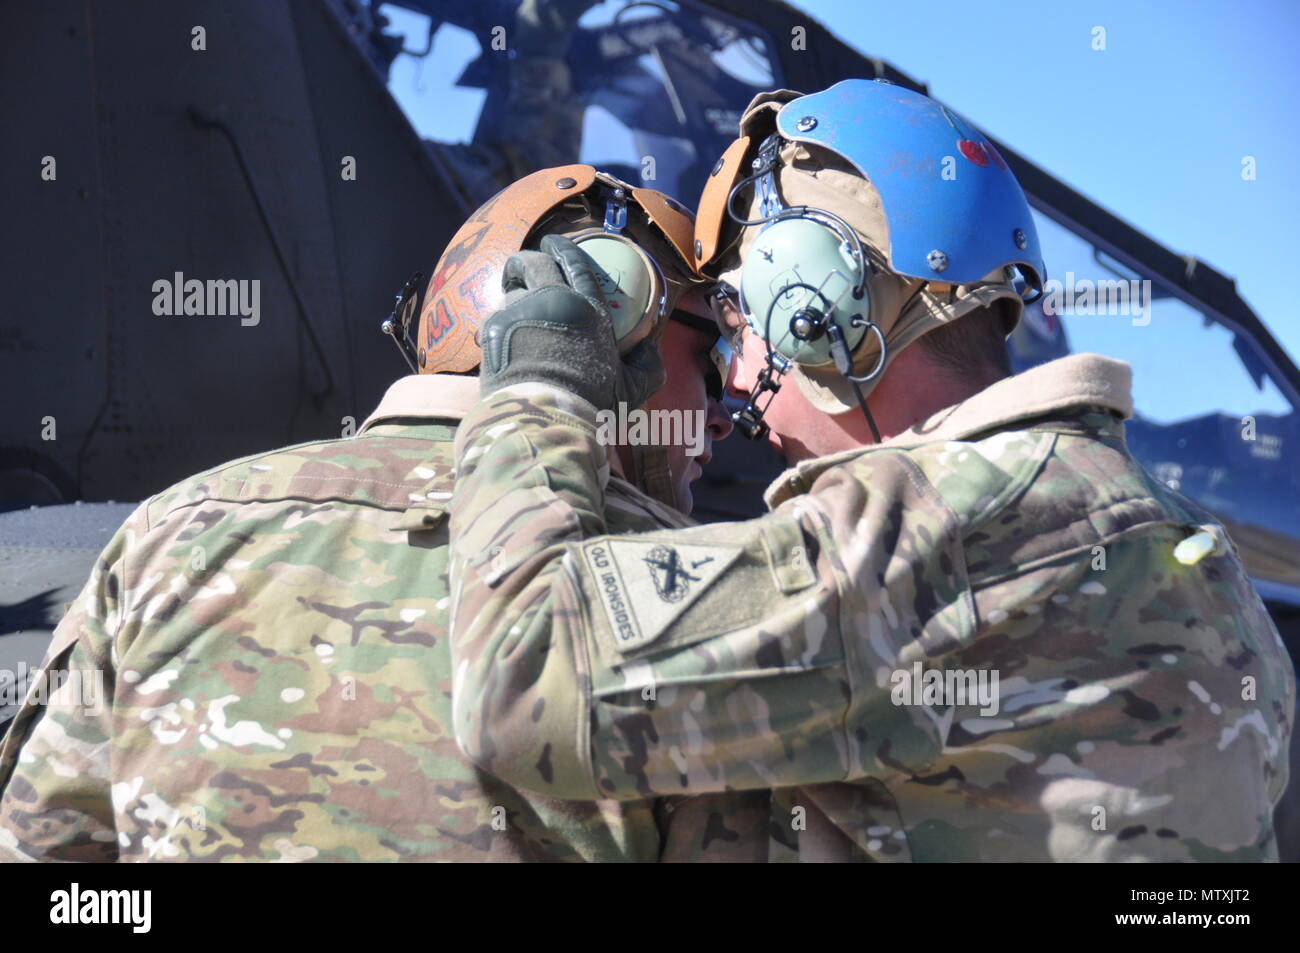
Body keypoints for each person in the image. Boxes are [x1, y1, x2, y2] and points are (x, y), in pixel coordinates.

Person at [444, 81, 1295, 862]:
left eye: (740, 320)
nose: (734, 382)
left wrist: (538, 384)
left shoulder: (912, 535)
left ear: (818, 305)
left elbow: (525, 676)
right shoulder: (1196, 551)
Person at [0, 166, 764, 862]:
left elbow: (47, 857)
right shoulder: (677, 585)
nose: (725, 415)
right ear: (617, 323)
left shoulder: (165, 534)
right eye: (708, 362)